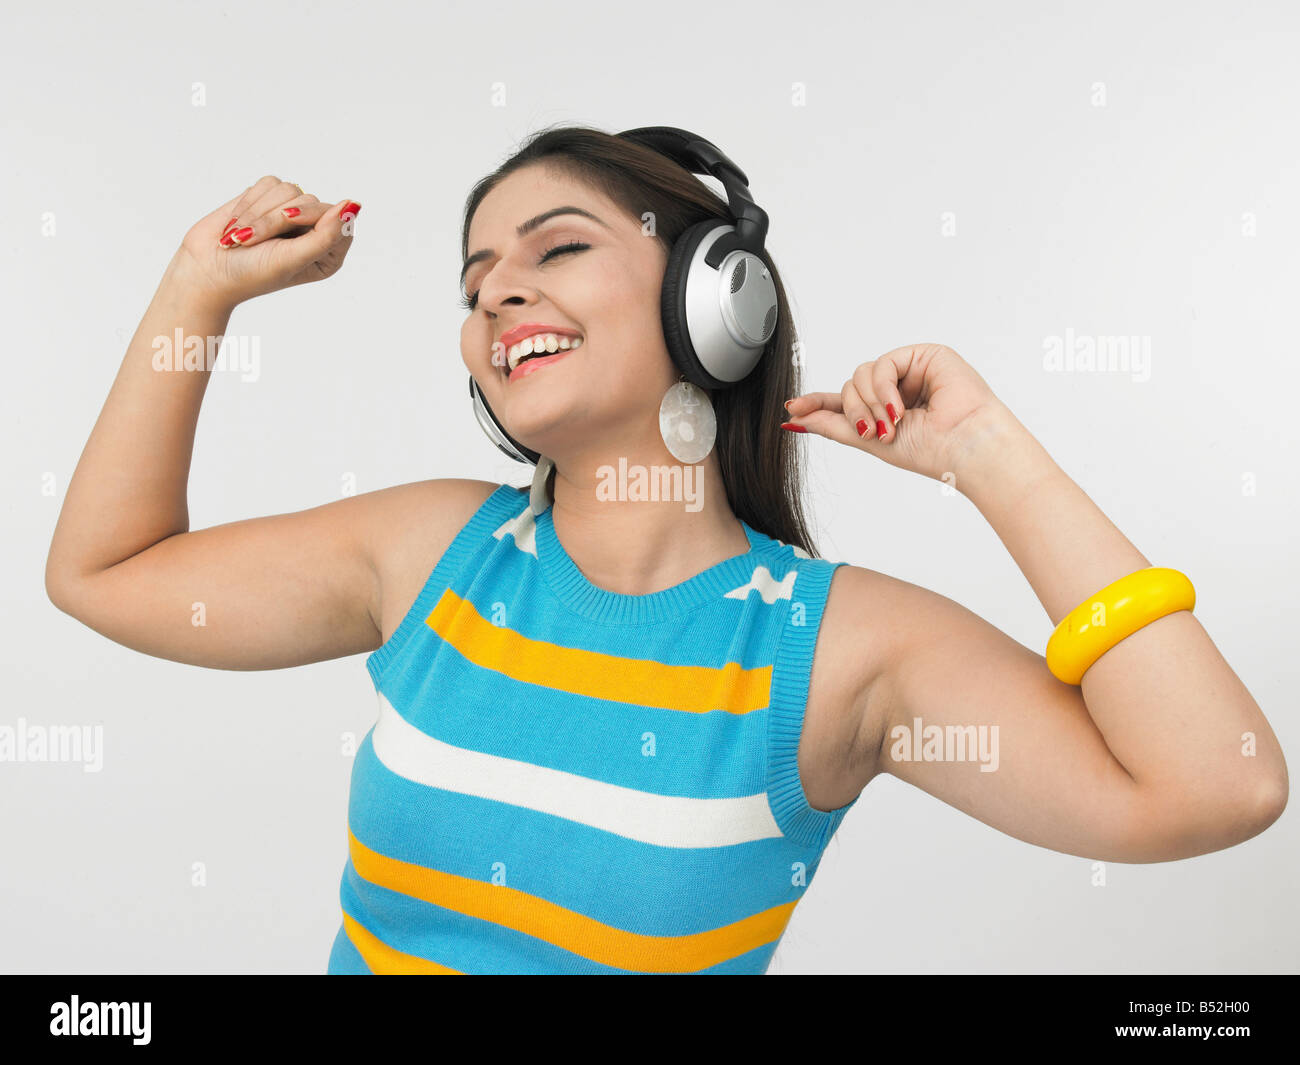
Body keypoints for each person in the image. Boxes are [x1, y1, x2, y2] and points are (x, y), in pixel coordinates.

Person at [45, 124, 1288, 975]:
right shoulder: (428, 552)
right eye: (475, 278)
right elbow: (104, 574)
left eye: (558, 248)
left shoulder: (841, 650)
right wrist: (194, 292)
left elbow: (1214, 785)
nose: (495, 295)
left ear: (717, 299)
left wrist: (989, 458)